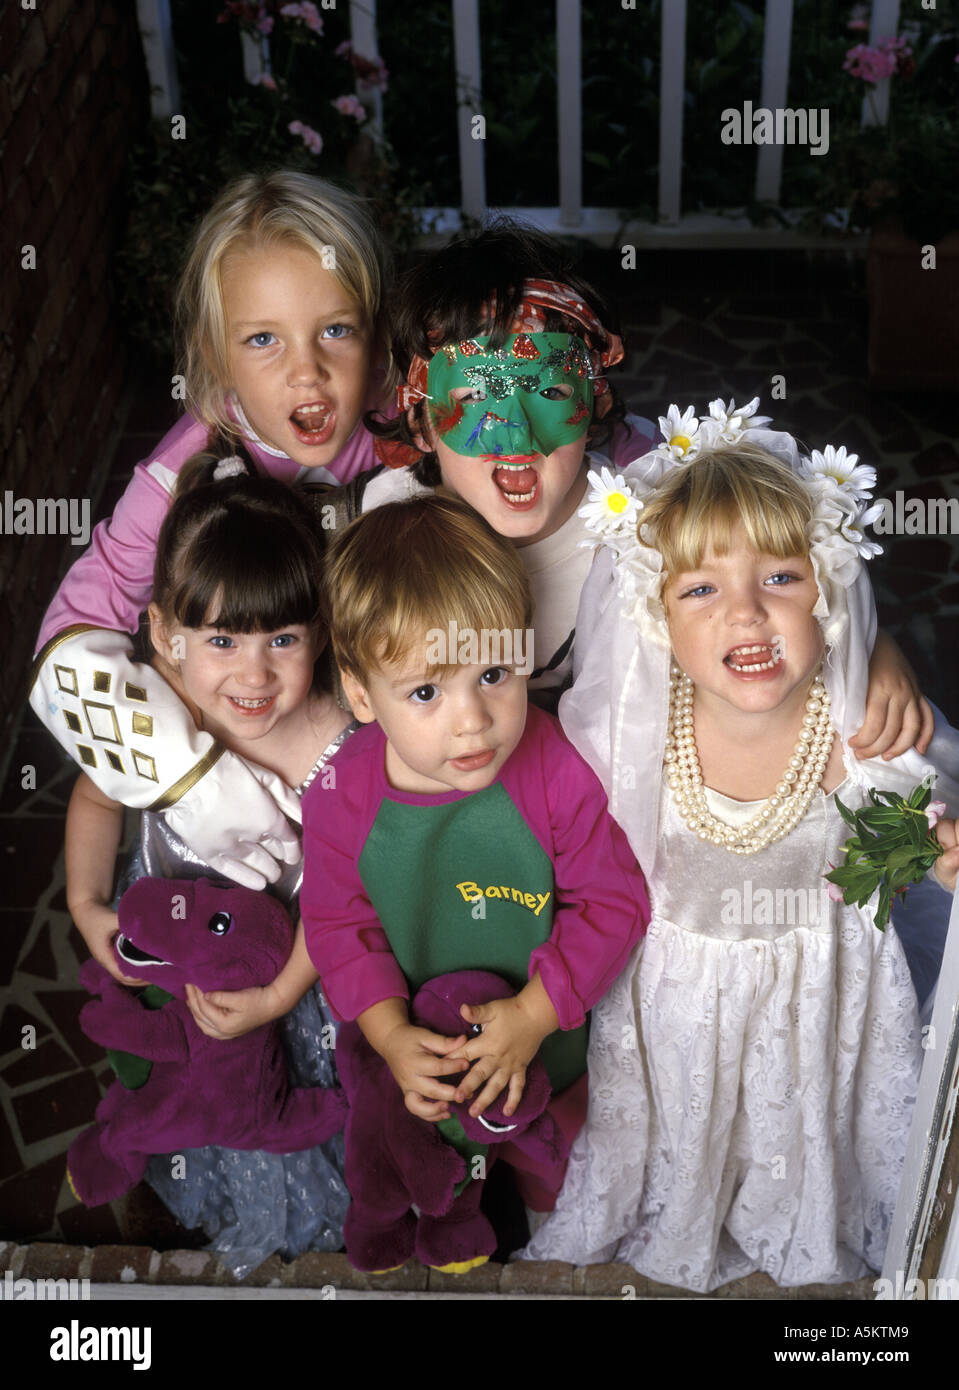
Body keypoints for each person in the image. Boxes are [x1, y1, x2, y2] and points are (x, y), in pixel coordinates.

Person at [520, 409, 959, 1289]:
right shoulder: (631, 733)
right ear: (653, 616)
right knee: (679, 1157)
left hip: (815, 1001)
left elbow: (909, 842)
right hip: (674, 1003)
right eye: (700, 591)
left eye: (782, 578)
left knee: (802, 1161)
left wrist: (940, 848)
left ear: (831, 593)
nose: (747, 614)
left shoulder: (852, 729)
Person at [324, 222, 932, 749]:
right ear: (420, 421)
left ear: (595, 404)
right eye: (474, 398)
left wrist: (867, 644)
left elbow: (788, 545)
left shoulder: (648, 500)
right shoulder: (388, 526)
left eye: (551, 392)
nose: (515, 433)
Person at [33, 169, 389, 888]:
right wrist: (188, 779)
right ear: (215, 352)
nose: (308, 372)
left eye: (336, 328)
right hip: (248, 751)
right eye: (263, 338)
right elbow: (66, 647)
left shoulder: (407, 420)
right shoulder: (176, 475)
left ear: (377, 333)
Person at [300, 495, 650, 1219]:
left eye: (492, 675)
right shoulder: (339, 796)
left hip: (548, 1046)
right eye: (425, 691)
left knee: (564, 1185)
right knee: (433, 1184)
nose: (472, 721)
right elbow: (340, 926)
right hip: (419, 1050)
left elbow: (613, 904)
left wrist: (531, 1016)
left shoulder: (555, 764)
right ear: (360, 693)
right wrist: (391, 1035)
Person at [65, 456, 357, 1278]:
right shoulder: (160, 718)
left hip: (295, 982)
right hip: (179, 956)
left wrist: (279, 993)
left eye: (283, 639)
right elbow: (95, 799)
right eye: (222, 640)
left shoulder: (325, 738)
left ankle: (309, 1230)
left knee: (281, 1100)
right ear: (166, 635)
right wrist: (88, 905)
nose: (254, 673)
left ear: (320, 632)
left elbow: (341, 889)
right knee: (183, 1081)